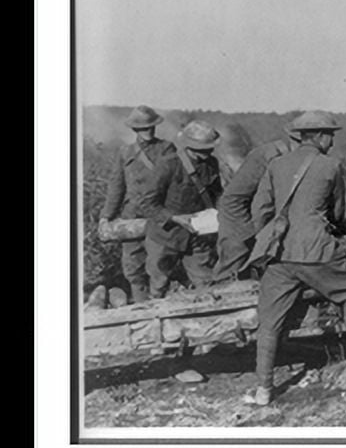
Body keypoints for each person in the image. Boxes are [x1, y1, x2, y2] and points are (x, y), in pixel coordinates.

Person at [247, 111, 346, 406]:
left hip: (279, 252)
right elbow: (336, 215)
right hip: (316, 250)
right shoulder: (330, 165)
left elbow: (260, 211)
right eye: (330, 134)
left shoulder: (276, 164)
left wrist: (274, 236)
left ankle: (262, 389)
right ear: (320, 136)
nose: (332, 140)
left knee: (269, 320)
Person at [98, 105, 176, 303]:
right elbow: (116, 186)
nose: (147, 131)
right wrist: (106, 216)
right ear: (135, 130)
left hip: (158, 215)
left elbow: (174, 184)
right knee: (133, 265)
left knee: (158, 264)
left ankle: (158, 304)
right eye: (142, 128)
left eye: (150, 127)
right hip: (131, 216)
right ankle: (140, 305)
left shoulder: (166, 149)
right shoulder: (125, 152)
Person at [141, 119, 223, 298]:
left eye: (210, 149)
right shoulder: (168, 164)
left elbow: (217, 195)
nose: (209, 153)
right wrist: (175, 218)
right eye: (204, 149)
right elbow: (148, 203)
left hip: (197, 237)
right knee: (159, 284)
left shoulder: (211, 164)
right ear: (189, 147)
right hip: (165, 237)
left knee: (206, 283)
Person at [212, 132, 294, 283]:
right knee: (235, 260)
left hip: (261, 215)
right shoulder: (267, 156)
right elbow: (237, 200)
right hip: (238, 214)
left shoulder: (299, 157)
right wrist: (252, 234)